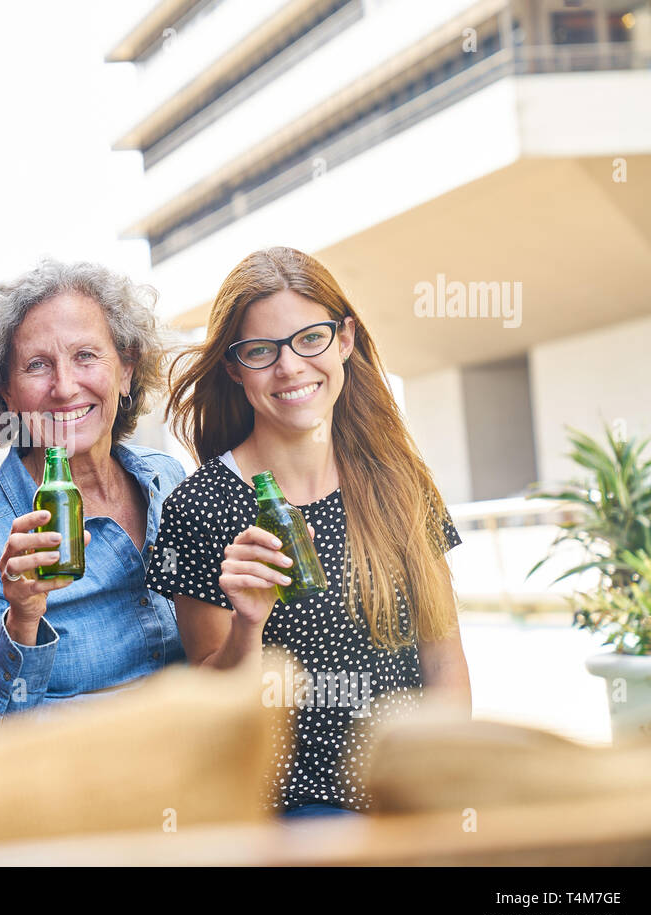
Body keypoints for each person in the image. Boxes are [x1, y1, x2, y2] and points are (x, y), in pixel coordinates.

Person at [146, 247, 472, 816]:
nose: (290, 367)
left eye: (309, 339)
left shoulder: (400, 481)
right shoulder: (197, 508)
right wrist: (249, 623)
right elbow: (212, 704)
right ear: (233, 367)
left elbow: (444, 660)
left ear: (344, 339)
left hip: (411, 796)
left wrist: (449, 787)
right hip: (290, 811)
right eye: (261, 352)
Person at [0, 260, 186, 724]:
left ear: (126, 370)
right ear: (5, 390)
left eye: (86, 356)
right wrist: (22, 620)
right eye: (37, 365)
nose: (64, 388)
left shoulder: (168, 480)